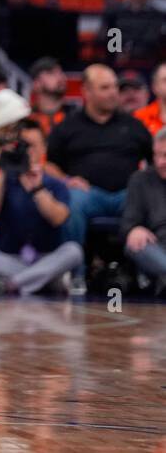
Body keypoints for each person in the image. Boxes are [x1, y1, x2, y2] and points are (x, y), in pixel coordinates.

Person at [45, 64, 153, 250]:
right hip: (87, 194)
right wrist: (66, 180)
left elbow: (156, 160)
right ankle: (73, 272)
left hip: (127, 194)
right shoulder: (67, 126)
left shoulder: (135, 125)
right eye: (105, 88)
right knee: (71, 201)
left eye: (114, 87)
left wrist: (145, 182)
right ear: (86, 91)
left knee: (151, 200)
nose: (113, 93)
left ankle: (148, 272)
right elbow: (48, 165)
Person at [0, 119, 81, 295]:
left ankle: (10, 284)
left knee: (74, 251)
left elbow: (59, 218)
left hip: (46, 257)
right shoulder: (2, 180)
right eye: (23, 146)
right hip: (9, 257)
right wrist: (3, 172)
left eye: (32, 146)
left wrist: (38, 188)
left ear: (44, 148)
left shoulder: (54, 183)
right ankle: (47, 282)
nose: (28, 151)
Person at [120, 128, 166, 292]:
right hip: (156, 246)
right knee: (136, 244)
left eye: (165, 155)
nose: (160, 162)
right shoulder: (140, 180)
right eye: (157, 155)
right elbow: (127, 223)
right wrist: (134, 229)